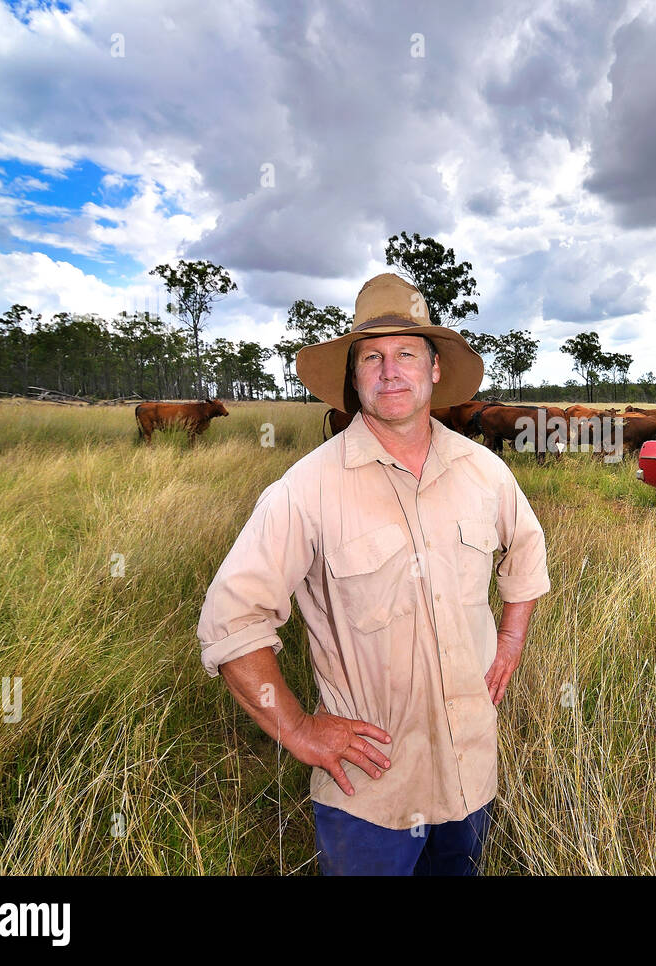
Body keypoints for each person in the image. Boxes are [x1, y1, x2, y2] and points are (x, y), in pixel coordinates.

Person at [196, 272, 550, 875]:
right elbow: (231, 620)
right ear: (354, 375)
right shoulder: (305, 489)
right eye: (373, 357)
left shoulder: (485, 472)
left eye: (407, 353)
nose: (391, 371)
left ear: (435, 369)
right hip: (370, 793)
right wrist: (303, 730)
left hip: (470, 774)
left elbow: (526, 552)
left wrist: (511, 640)